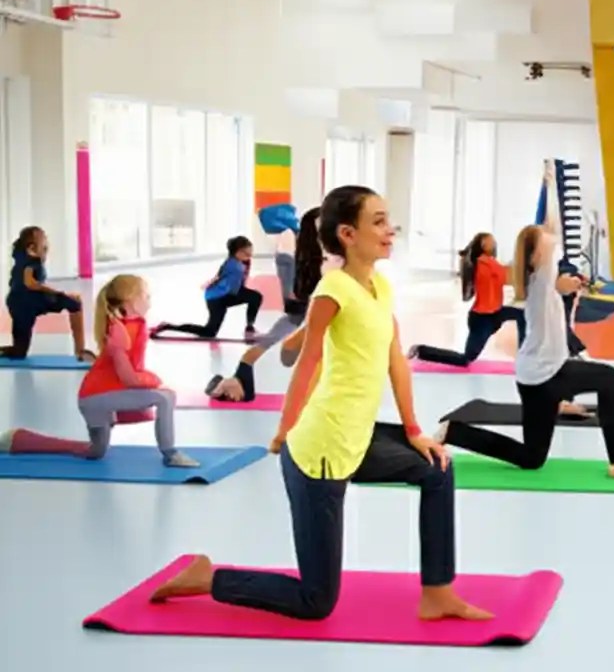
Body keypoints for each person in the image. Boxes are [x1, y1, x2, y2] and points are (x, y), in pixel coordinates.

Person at [150, 185, 490, 623]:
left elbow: (395, 361)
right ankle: (207, 578)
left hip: (357, 439)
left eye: (390, 221)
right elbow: (306, 362)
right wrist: (283, 430)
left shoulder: (379, 286)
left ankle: (438, 594)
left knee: (438, 468)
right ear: (348, 234)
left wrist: (412, 429)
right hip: (320, 452)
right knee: (316, 602)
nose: (390, 230)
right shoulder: (332, 289)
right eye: (379, 222)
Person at [432, 202, 614, 480]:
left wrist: (567, 284)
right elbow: (554, 227)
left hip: (534, 378)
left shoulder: (544, 282)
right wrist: (551, 181)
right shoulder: (540, 281)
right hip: (546, 376)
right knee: (609, 378)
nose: (552, 239)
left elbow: (555, 259)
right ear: (537, 255)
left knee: (532, 458)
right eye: (546, 240)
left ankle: (454, 432)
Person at [1, 274, 198, 466]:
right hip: (96, 397)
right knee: (164, 397)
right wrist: (153, 380)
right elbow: (129, 379)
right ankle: (170, 454)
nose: (150, 301)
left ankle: (18, 440)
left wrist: (149, 383)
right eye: (146, 296)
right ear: (130, 300)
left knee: (95, 451)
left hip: (106, 394)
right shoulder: (120, 332)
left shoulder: (134, 326)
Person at [205, 208, 339, 402]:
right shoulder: (295, 254)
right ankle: (230, 382)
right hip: (297, 321)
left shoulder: (320, 258)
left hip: (297, 322)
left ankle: (232, 381)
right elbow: (294, 299)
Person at [407, 232, 527, 367]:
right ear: (482, 245)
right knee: (465, 360)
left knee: (522, 314)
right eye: (489, 241)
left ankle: (524, 357)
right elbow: (508, 275)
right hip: (482, 319)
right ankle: (421, 350)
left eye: (493, 241)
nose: (493, 243)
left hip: (496, 313)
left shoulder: (492, 263)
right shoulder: (481, 263)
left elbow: (507, 276)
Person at [1, 226, 94, 362]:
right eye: (43, 242)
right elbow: (29, 283)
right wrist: (55, 292)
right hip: (25, 304)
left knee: (74, 303)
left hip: (22, 301)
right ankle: (80, 352)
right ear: (31, 248)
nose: (46, 244)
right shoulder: (31, 261)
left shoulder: (23, 258)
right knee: (19, 351)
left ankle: (80, 351)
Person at [151, 236, 262, 340]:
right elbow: (234, 289)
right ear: (237, 252)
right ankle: (168, 327)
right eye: (247, 253)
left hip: (220, 296)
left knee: (209, 332)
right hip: (217, 298)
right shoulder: (234, 265)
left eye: (250, 252)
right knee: (255, 297)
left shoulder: (239, 262)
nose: (250, 255)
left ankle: (167, 326)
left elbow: (231, 283)